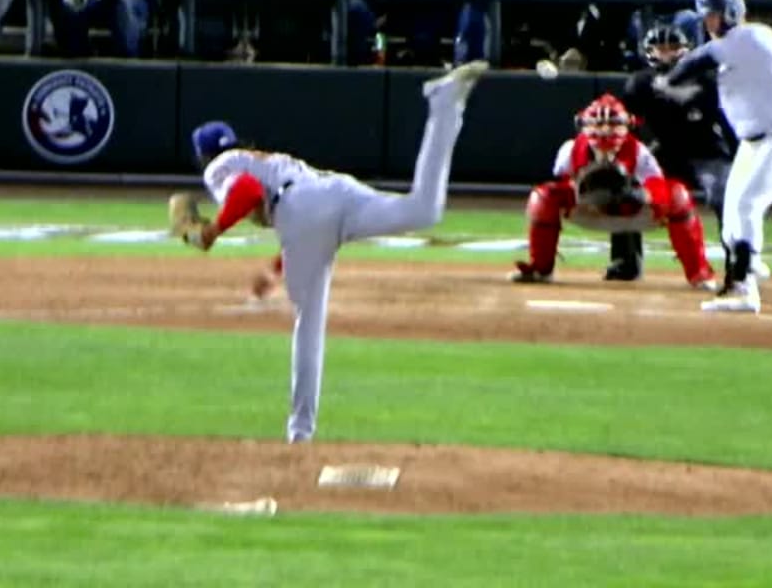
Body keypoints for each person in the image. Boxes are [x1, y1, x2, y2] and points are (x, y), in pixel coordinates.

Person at [183, 60, 489, 443]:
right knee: (423, 210)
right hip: (334, 191)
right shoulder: (260, 158)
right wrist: (277, 269)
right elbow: (305, 225)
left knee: (309, 323)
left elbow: (248, 191)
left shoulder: (219, 167)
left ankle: (300, 432)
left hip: (303, 208)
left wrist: (213, 230)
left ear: (202, 155)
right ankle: (445, 107)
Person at [662, 0, 772, 313]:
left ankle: (745, 290)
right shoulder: (731, 52)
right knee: (731, 213)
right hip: (754, 143)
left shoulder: (753, 36)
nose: (708, 23)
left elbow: (695, 61)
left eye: (713, 16)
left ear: (731, 14)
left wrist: (666, 78)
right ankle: (748, 265)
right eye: (706, 17)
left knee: (747, 205)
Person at [509, 93, 719, 288]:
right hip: (588, 211)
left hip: (634, 214)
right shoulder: (570, 150)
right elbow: (561, 187)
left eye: (613, 124)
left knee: (679, 194)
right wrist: (588, 192)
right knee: (542, 196)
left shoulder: (639, 152)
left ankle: (699, 272)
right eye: (598, 124)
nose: (605, 130)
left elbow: (658, 189)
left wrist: (639, 196)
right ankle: (541, 268)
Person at [610, 20, 744, 283]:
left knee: (725, 194)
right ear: (649, 52)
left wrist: (738, 157)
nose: (667, 54)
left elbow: (728, 122)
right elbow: (627, 125)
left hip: (705, 150)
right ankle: (625, 260)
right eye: (661, 49)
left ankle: (738, 263)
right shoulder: (639, 83)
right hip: (663, 151)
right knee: (622, 185)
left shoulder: (707, 80)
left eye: (672, 48)